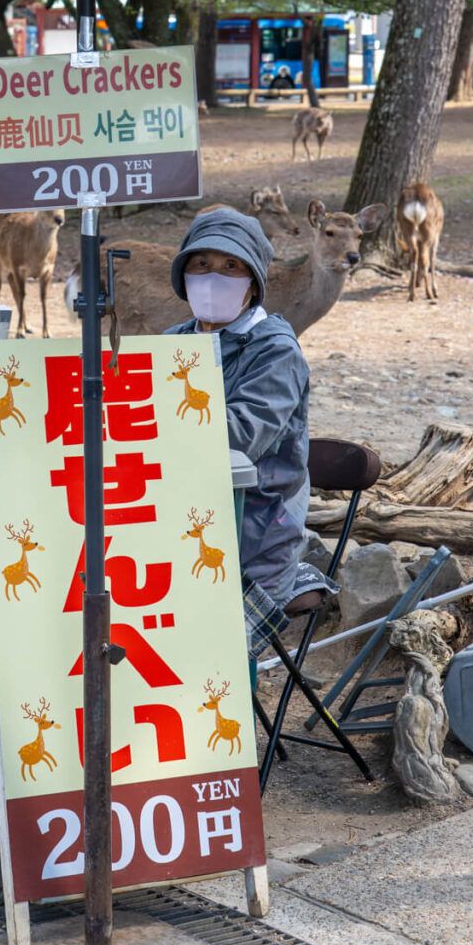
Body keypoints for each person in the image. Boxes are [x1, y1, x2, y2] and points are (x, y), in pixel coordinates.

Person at [166, 207, 334, 654]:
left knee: (204, 660)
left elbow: (239, 434)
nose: (213, 277)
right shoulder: (174, 341)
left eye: (230, 267)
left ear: (253, 283)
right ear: (184, 274)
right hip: (176, 524)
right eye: (201, 264)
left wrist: (151, 416)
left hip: (255, 538)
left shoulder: (277, 351)